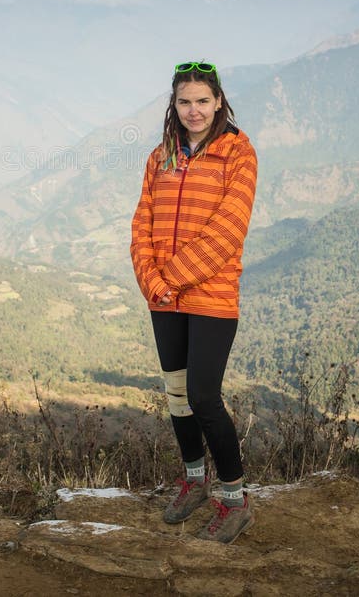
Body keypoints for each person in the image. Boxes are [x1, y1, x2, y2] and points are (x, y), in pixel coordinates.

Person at [130, 61, 257, 544]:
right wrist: (151, 280)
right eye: (185, 101)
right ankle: (194, 478)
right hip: (163, 297)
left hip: (210, 296)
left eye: (203, 101)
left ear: (219, 101)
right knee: (177, 398)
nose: (194, 110)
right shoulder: (159, 157)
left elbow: (228, 231)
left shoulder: (238, 154)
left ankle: (235, 498)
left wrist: (171, 280)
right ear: (174, 105)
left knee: (204, 397)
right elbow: (142, 222)